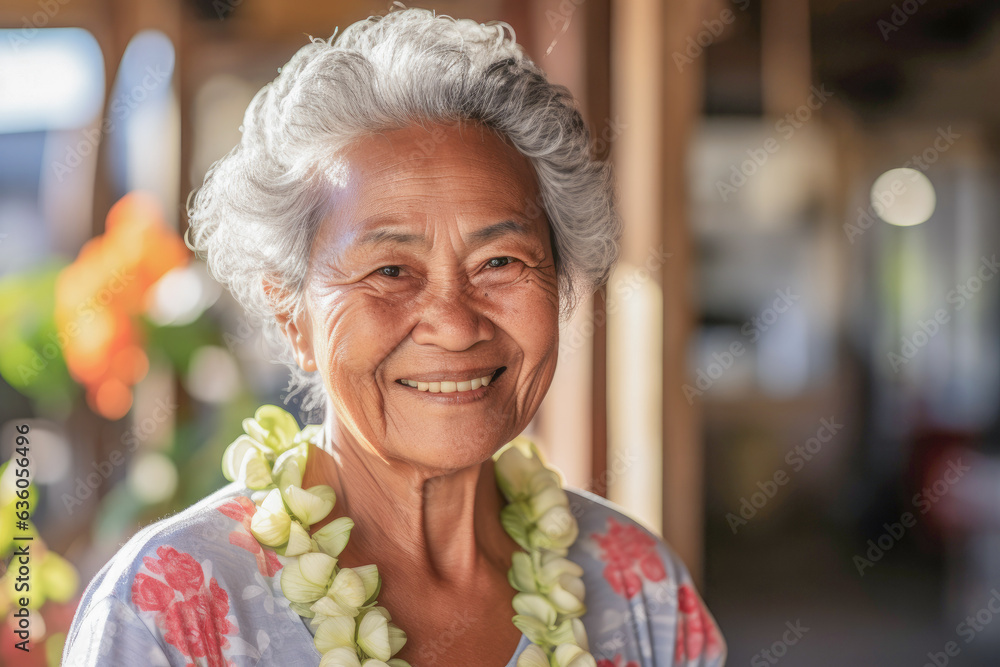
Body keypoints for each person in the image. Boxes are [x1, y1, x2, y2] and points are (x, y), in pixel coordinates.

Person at [62, 7, 726, 667]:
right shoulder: (169, 610)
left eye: (500, 262)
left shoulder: (638, 583)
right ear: (293, 315)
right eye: (389, 270)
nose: (456, 323)